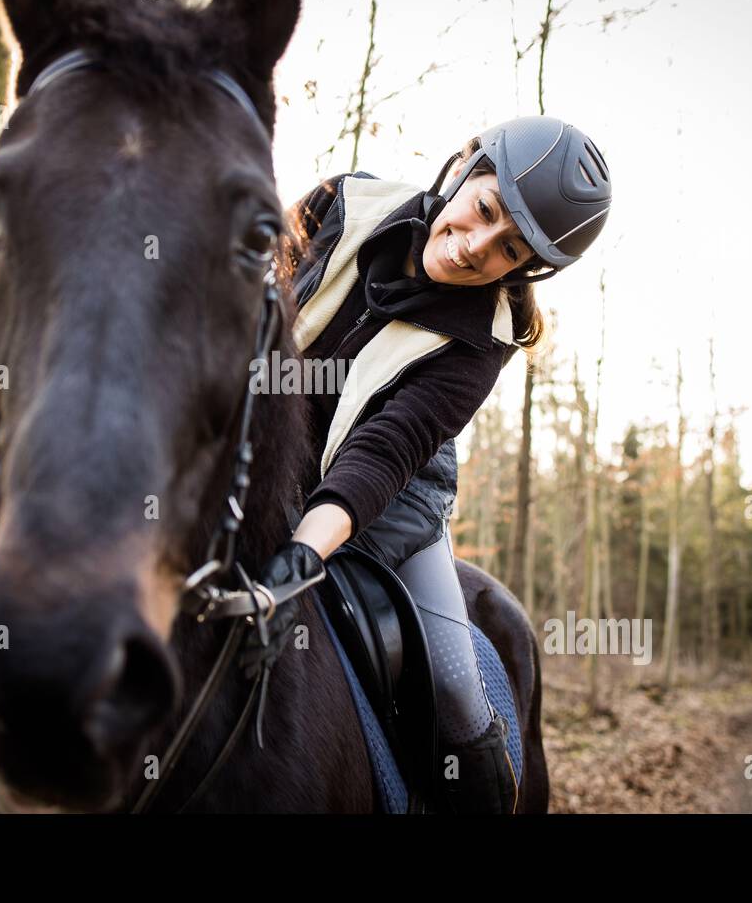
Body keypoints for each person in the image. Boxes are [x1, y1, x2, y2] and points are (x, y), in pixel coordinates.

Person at [243, 115, 612, 813]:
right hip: (269, 460)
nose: (475, 247)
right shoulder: (342, 202)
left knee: (454, 688)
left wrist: (300, 554)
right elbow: (242, 305)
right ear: (464, 167)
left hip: (390, 500)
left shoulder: (482, 342)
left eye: (508, 250)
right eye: (484, 211)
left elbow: (381, 456)